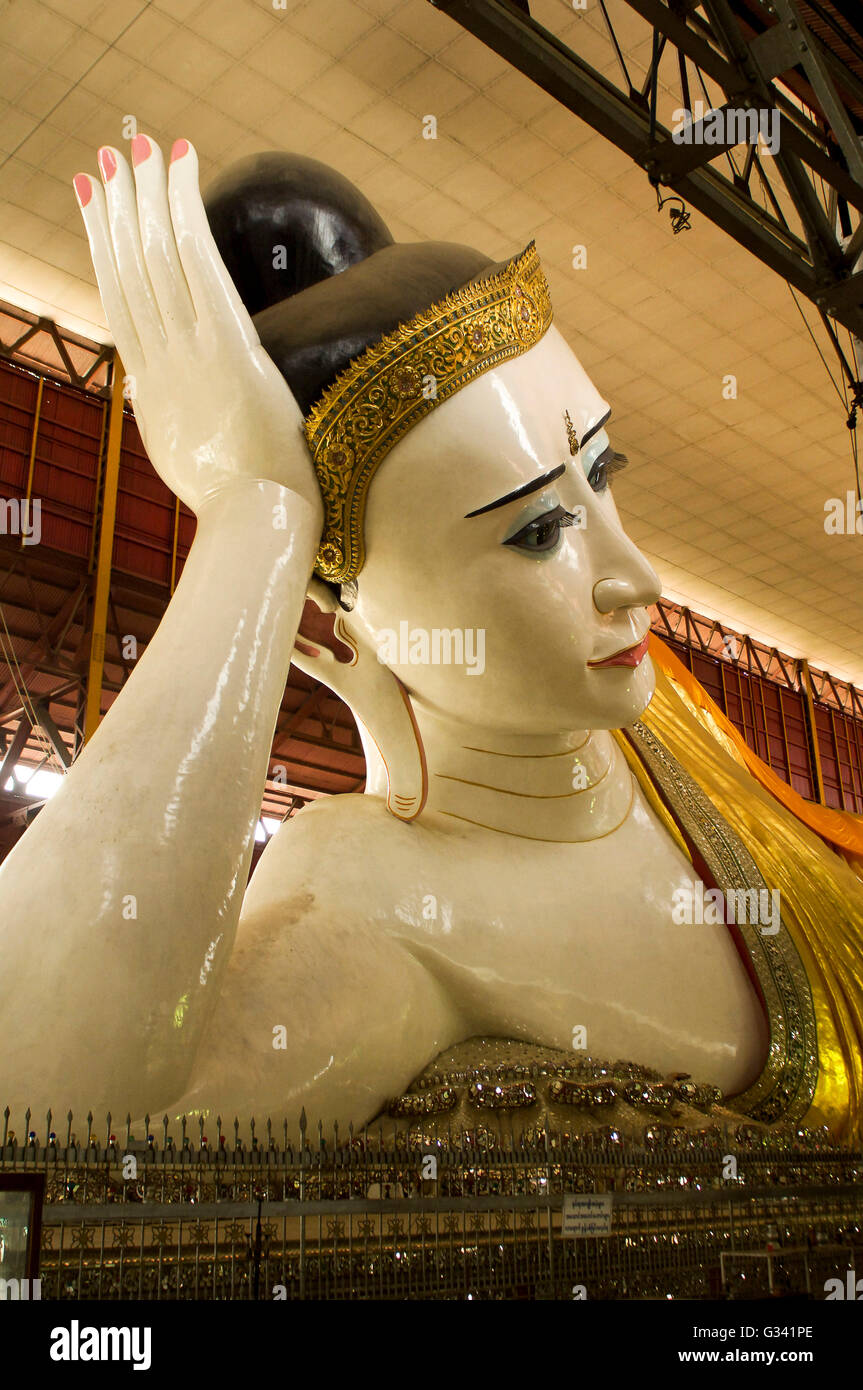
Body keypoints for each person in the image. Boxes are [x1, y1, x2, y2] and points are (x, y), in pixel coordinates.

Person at [0, 137, 861, 1143]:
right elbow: (53, 1131)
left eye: (601, 468)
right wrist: (258, 515)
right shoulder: (382, 902)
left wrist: (389, 730)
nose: (637, 578)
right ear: (336, 601)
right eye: (536, 532)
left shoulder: (657, 711)